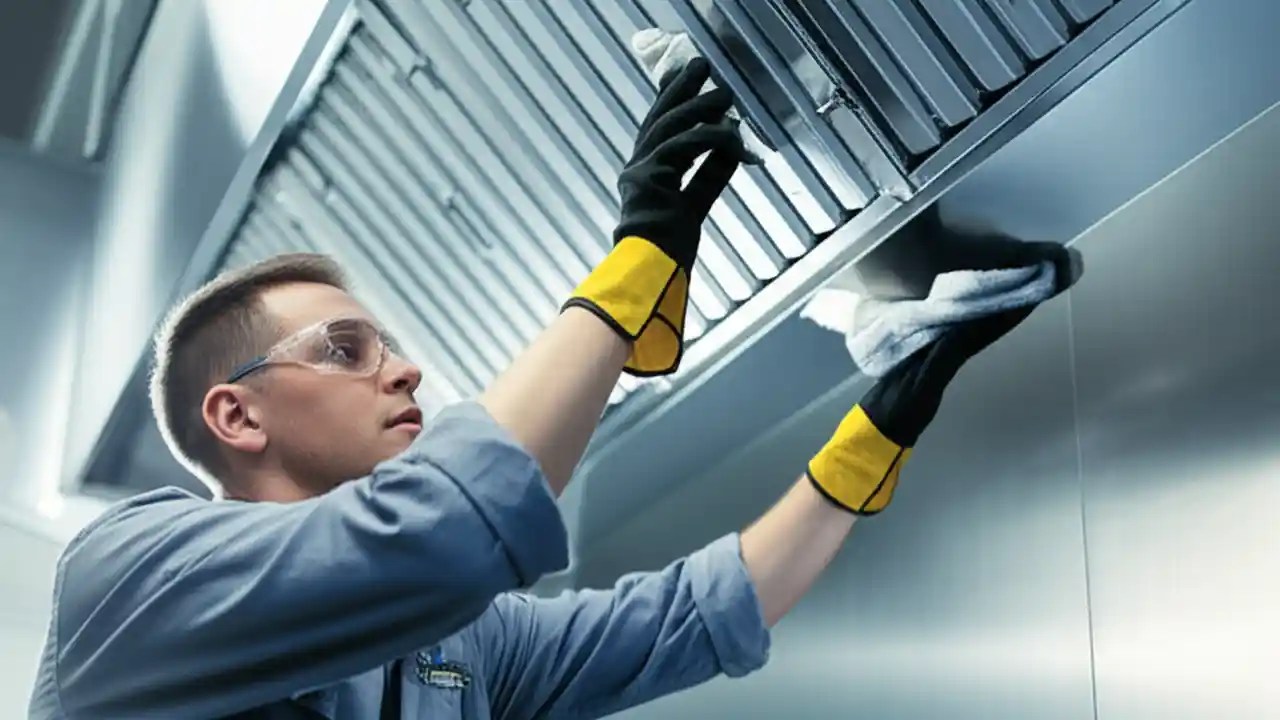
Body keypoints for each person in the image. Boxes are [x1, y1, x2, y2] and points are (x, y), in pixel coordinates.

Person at [29, 59, 1050, 719]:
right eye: (342, 350)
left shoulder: (453, 647)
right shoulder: (130, 578)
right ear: (235, 414)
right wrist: (635, 264)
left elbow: (691, 619)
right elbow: (439, 526)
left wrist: (880, 425)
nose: (402, 367)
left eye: (384, 344)